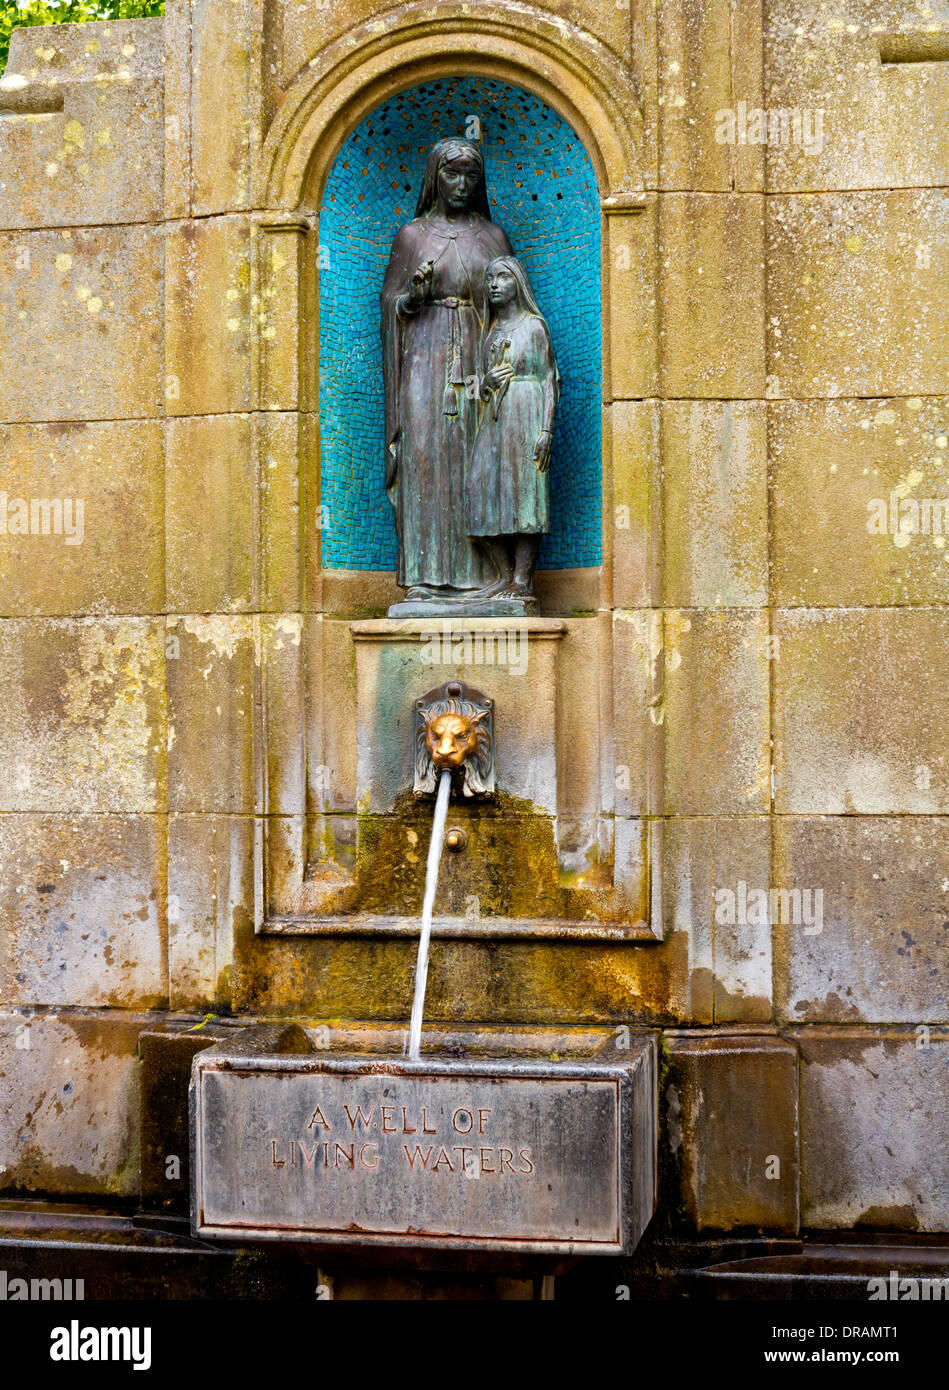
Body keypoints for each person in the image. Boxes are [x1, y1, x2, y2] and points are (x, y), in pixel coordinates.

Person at [380, 139, 513, 603]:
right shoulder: (412, 237)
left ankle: (484, 577)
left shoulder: (493, 237)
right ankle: (423, 575)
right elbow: (390, 306)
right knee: (425, 456)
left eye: (470, 176)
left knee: (478, 457)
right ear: (434, 177)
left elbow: (511, 303)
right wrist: (413, 298)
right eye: (451, 174)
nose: (461, 185)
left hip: (477, 353)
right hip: (424, 356)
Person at [465, 256, 559, 600]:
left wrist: (546, 429)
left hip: (527, 411)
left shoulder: (533, 326)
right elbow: (476, 387)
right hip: (495, 418)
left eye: (502, 277)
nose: (493, 284)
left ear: (517, 283)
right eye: (489, 278)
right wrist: (486, 381)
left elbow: (549, 378)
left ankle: (522, 580)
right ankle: (503, 576)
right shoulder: (490, 332)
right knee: (479, 489)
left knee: (525, 493)